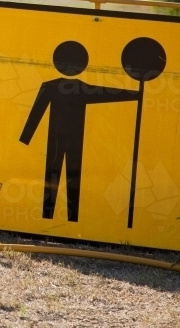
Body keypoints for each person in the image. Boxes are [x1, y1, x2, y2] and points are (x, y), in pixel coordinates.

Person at [19, 40, 139, 222]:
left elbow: (106, 92)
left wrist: (135, 95)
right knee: (59, 175)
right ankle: (53, 215)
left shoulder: (64, 87)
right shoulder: (61, 87)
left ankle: (67, 218)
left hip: (67, 138)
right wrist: (25, 138)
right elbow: (37, 112)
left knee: (64, 175)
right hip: (62, 139)